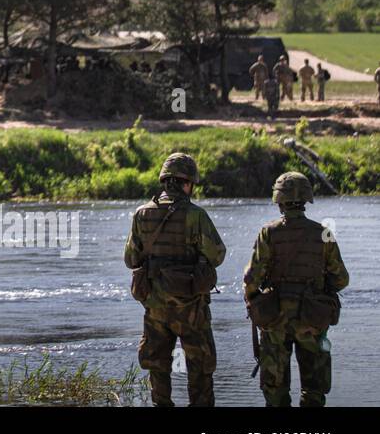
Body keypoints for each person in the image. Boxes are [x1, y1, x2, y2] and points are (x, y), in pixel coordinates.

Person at [124, 152, 226, 407]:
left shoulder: (141, 214)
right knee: (200, 368)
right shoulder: (195, 215)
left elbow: (130, 259)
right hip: (191, 306)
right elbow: (217, 254)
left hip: (155, 306)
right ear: (187, 183)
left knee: (158, 367)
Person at [243, 172, 348, 407]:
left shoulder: (268, 233)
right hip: (312, 318)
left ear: (278, 200)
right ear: (306, 200)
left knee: (275, 391)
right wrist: (320, 289)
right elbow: (341, 279)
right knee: (314, 390)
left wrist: (254, 300)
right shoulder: (324, 233)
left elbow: (251, 278)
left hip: (275, 319)